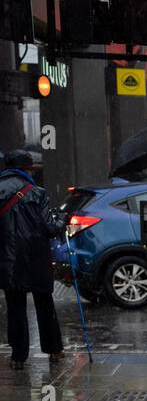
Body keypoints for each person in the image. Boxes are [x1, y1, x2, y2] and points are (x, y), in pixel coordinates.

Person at [1, 149, 65, 370]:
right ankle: (54, 349)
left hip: (9, 260)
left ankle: (18, 356)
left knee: (15, 306)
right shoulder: (38, 193)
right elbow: (50, 227)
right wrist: (62, 221)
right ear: (27, 169)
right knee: (44, 304)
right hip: (37, 258)